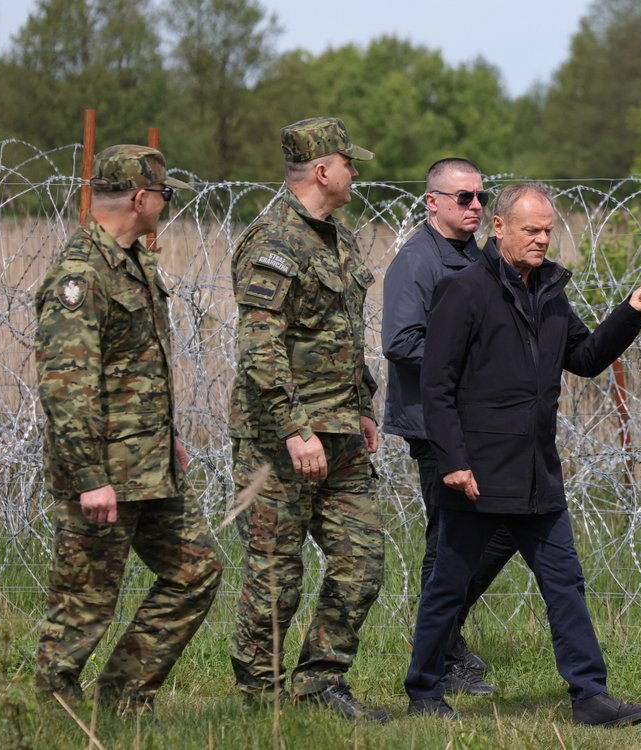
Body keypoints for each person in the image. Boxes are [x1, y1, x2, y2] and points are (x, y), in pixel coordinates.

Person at [405, 183, 641, 725]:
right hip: (476, 475)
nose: (542, 239)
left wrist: (631, 311)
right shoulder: (464, 291)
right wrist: (453, 461)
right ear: (499, 228)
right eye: (531, 229)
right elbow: (436, 386)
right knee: (448, 585)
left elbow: (585, 356)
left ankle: (589, 697)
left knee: (564, 583)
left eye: (548, 230)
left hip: (536, 474)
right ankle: (425, 692)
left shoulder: (550, 291)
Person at [34, 145, 222, 711]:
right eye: (163, 194)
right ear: (140, 197)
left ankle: (121, 691)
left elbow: (133, 367)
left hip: (151, 466)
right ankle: (47, 714)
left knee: (197, 571)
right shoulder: (80, 275)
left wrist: (166, 437)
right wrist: (90, 476)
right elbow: (66, 387)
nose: (166, 205)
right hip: (104, 473)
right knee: (83, 603)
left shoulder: (134, 261)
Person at [229, 117, 387, 722]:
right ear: (323, 170)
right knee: (276, 574)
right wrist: (295, 429)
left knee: (362, 560)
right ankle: (258, 698)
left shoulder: (340, 239)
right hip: (280, 440)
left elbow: (345, 335)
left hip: (342, 433)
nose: (356, 172)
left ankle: (322, 680)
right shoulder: (272, 241)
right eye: (350, 163)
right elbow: (260, 348)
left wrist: (363, 407)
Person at [381, 158, 517, 697]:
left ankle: (442, 637)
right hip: (437, 425)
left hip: (482, 424)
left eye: (481, 197)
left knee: (504, 526)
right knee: (448, 543)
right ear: (432, 201)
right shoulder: (416, 262)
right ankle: (439, 656)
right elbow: (401, 341)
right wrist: (475, 360)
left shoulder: (477, 259)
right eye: (464, 198)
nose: (477, 207)